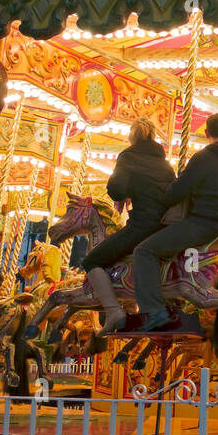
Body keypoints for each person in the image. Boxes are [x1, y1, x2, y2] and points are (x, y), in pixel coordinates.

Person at [133, 113, 218, 332]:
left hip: (202, 224)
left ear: (206, 133)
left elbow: (178, 191)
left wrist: (163, 197)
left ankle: (154, 311)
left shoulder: (204, 157)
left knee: (144, 251)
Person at [82, 119, 174, 336]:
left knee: (91, 260)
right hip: (164, 228)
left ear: (132, 137)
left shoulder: (129, 156)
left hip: (142, 224)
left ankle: (113, 311)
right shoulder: (165, 163)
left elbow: (115, 189)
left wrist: (128, 190)